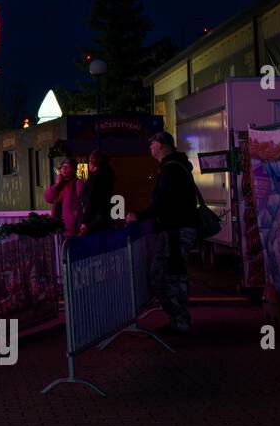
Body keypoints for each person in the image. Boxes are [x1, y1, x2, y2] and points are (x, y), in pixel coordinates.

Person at [127, 131, 198, 334]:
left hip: (174, 230)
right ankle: (179, 320)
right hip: (179, 228)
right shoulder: (177, 166)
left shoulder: (170, 169)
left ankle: (179, 321)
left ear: (161, 145)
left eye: (152, 143)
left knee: (166, 275)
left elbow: (162, 202)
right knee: (174, 273)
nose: (150, 147)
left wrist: (138, 216)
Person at [79, 149, 117, 234]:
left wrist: (85, 221)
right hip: (104, 217)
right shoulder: (108, 175)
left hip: (94, 220)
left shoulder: (95, 177)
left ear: (94, 162)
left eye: (89, 161)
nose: (88, 164)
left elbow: (91, 199)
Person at [44, 157, 84, 237]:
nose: (64, 169)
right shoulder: (59, 185)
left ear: (73, 170)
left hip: (71, 228)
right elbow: (48, 198)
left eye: (67, 166)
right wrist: (56, 185)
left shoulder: (77, 183)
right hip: (58, 227)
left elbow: (84, 203)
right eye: (63, 166)